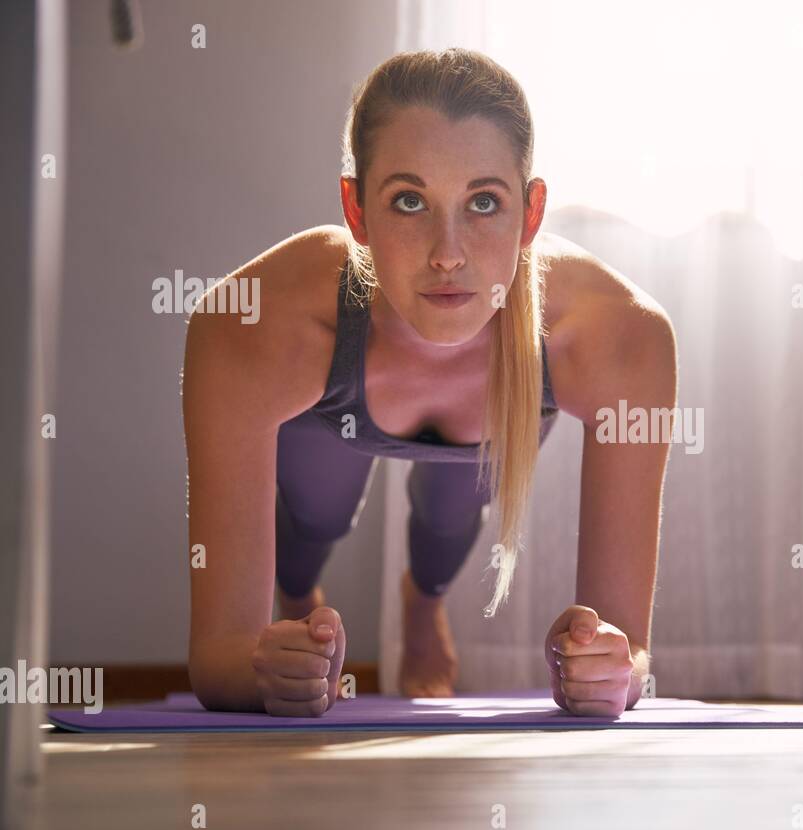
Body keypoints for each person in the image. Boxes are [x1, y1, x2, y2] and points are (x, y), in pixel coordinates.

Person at [182, 48, 675, 717]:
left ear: (531, 214)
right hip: (329, 416)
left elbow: (632, 653)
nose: (448, 253)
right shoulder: (253, 324)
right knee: (318, 512)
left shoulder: (620, 339)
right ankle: (299, 600)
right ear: (355, 211)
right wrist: (265, 666)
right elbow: (217, 656)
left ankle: (426, 600)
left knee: (451, 509)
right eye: (409, 201)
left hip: (490, 415)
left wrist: (608, 665)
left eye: (483, 202)